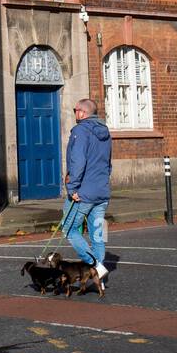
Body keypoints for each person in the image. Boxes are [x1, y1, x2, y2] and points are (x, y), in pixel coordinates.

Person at [63, 97, 111, 287]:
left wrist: (72, 187)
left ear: (83, 112)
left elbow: (78, 162)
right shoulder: (105, 132)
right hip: (102, 192)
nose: (75, 113)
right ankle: (100, 278)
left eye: (76, 110)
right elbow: (108, 163)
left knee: (69, 229)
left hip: (83, 193)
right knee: (97, 237)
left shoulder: (80, 131)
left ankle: (95, 267)